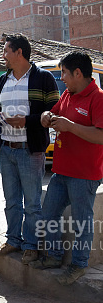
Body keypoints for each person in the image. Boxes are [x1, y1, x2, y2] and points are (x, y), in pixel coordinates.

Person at [30, 52, 103, 284]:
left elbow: (101, 136)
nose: (62, 78)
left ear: (78, 73)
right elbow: (55, 112)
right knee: (49, 214)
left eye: (64, 73)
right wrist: (45, 116)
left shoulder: (98, 98)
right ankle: (53, 256)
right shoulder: (68, 94)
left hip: (84, 174)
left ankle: (79, 265)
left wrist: (70, 126)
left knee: (82, 221)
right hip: (62, 171)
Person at [0, 34, 60, 264]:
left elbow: (54, 112)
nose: (4, 56)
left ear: (19, 52)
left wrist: (27, 121)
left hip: (31, 150)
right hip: (6, 149)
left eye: (6, 51)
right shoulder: (2, 80)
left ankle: (31, 244)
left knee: (32, 202)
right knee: (11, 200)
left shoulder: (43, 78)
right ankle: (13, 240)